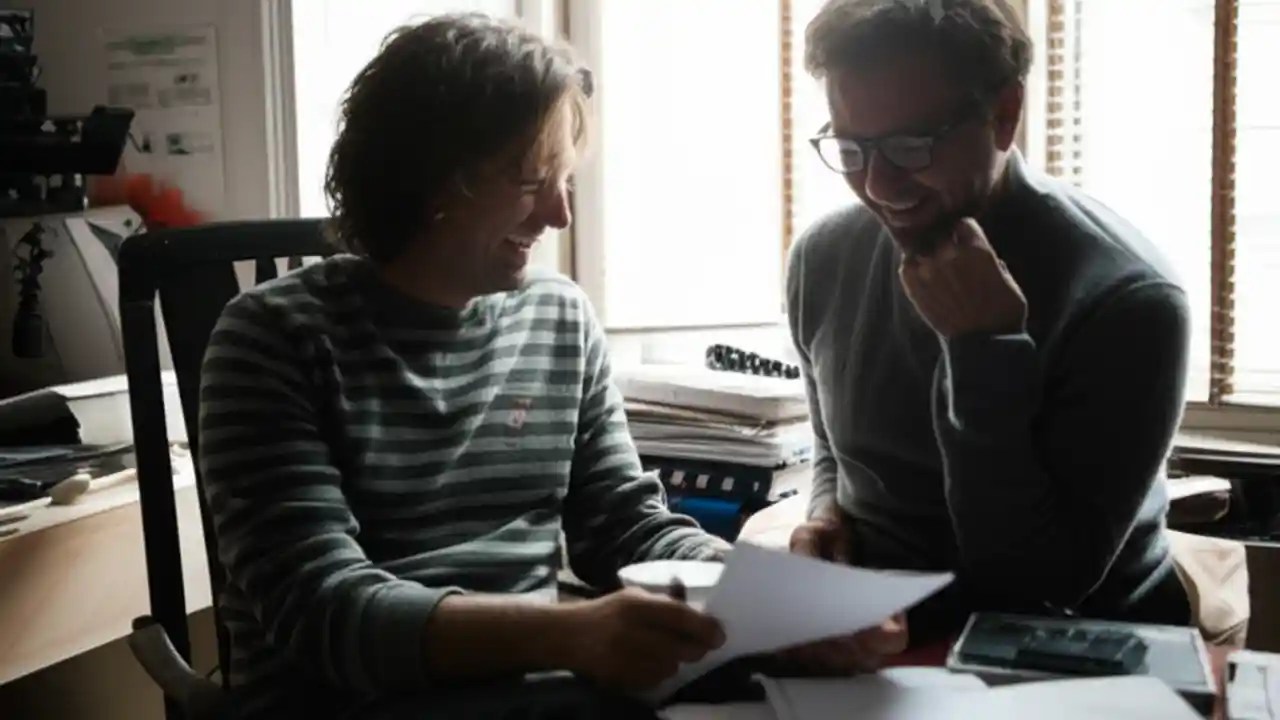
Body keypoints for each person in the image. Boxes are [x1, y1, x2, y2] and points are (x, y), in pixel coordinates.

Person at [197, 14, 731, 718]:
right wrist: (572, 634)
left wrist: (762, 588)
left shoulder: (559, 318)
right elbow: (323, 611)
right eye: (533, 179)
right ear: (432, 178)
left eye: (565, 180)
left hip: (534, 695)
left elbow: (621, 526)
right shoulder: (271, 337)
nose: (559, 215)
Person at [785, 0, 1193, 659]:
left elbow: (1033, 584)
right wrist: (826, 516)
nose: (879, 184)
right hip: (879, 640)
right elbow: (836, 449)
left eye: (910, 146)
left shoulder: (1130, 300)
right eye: (850, 147)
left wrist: (982, 352)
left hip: (1081, 650)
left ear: (1005, 114)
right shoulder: (820, 260)